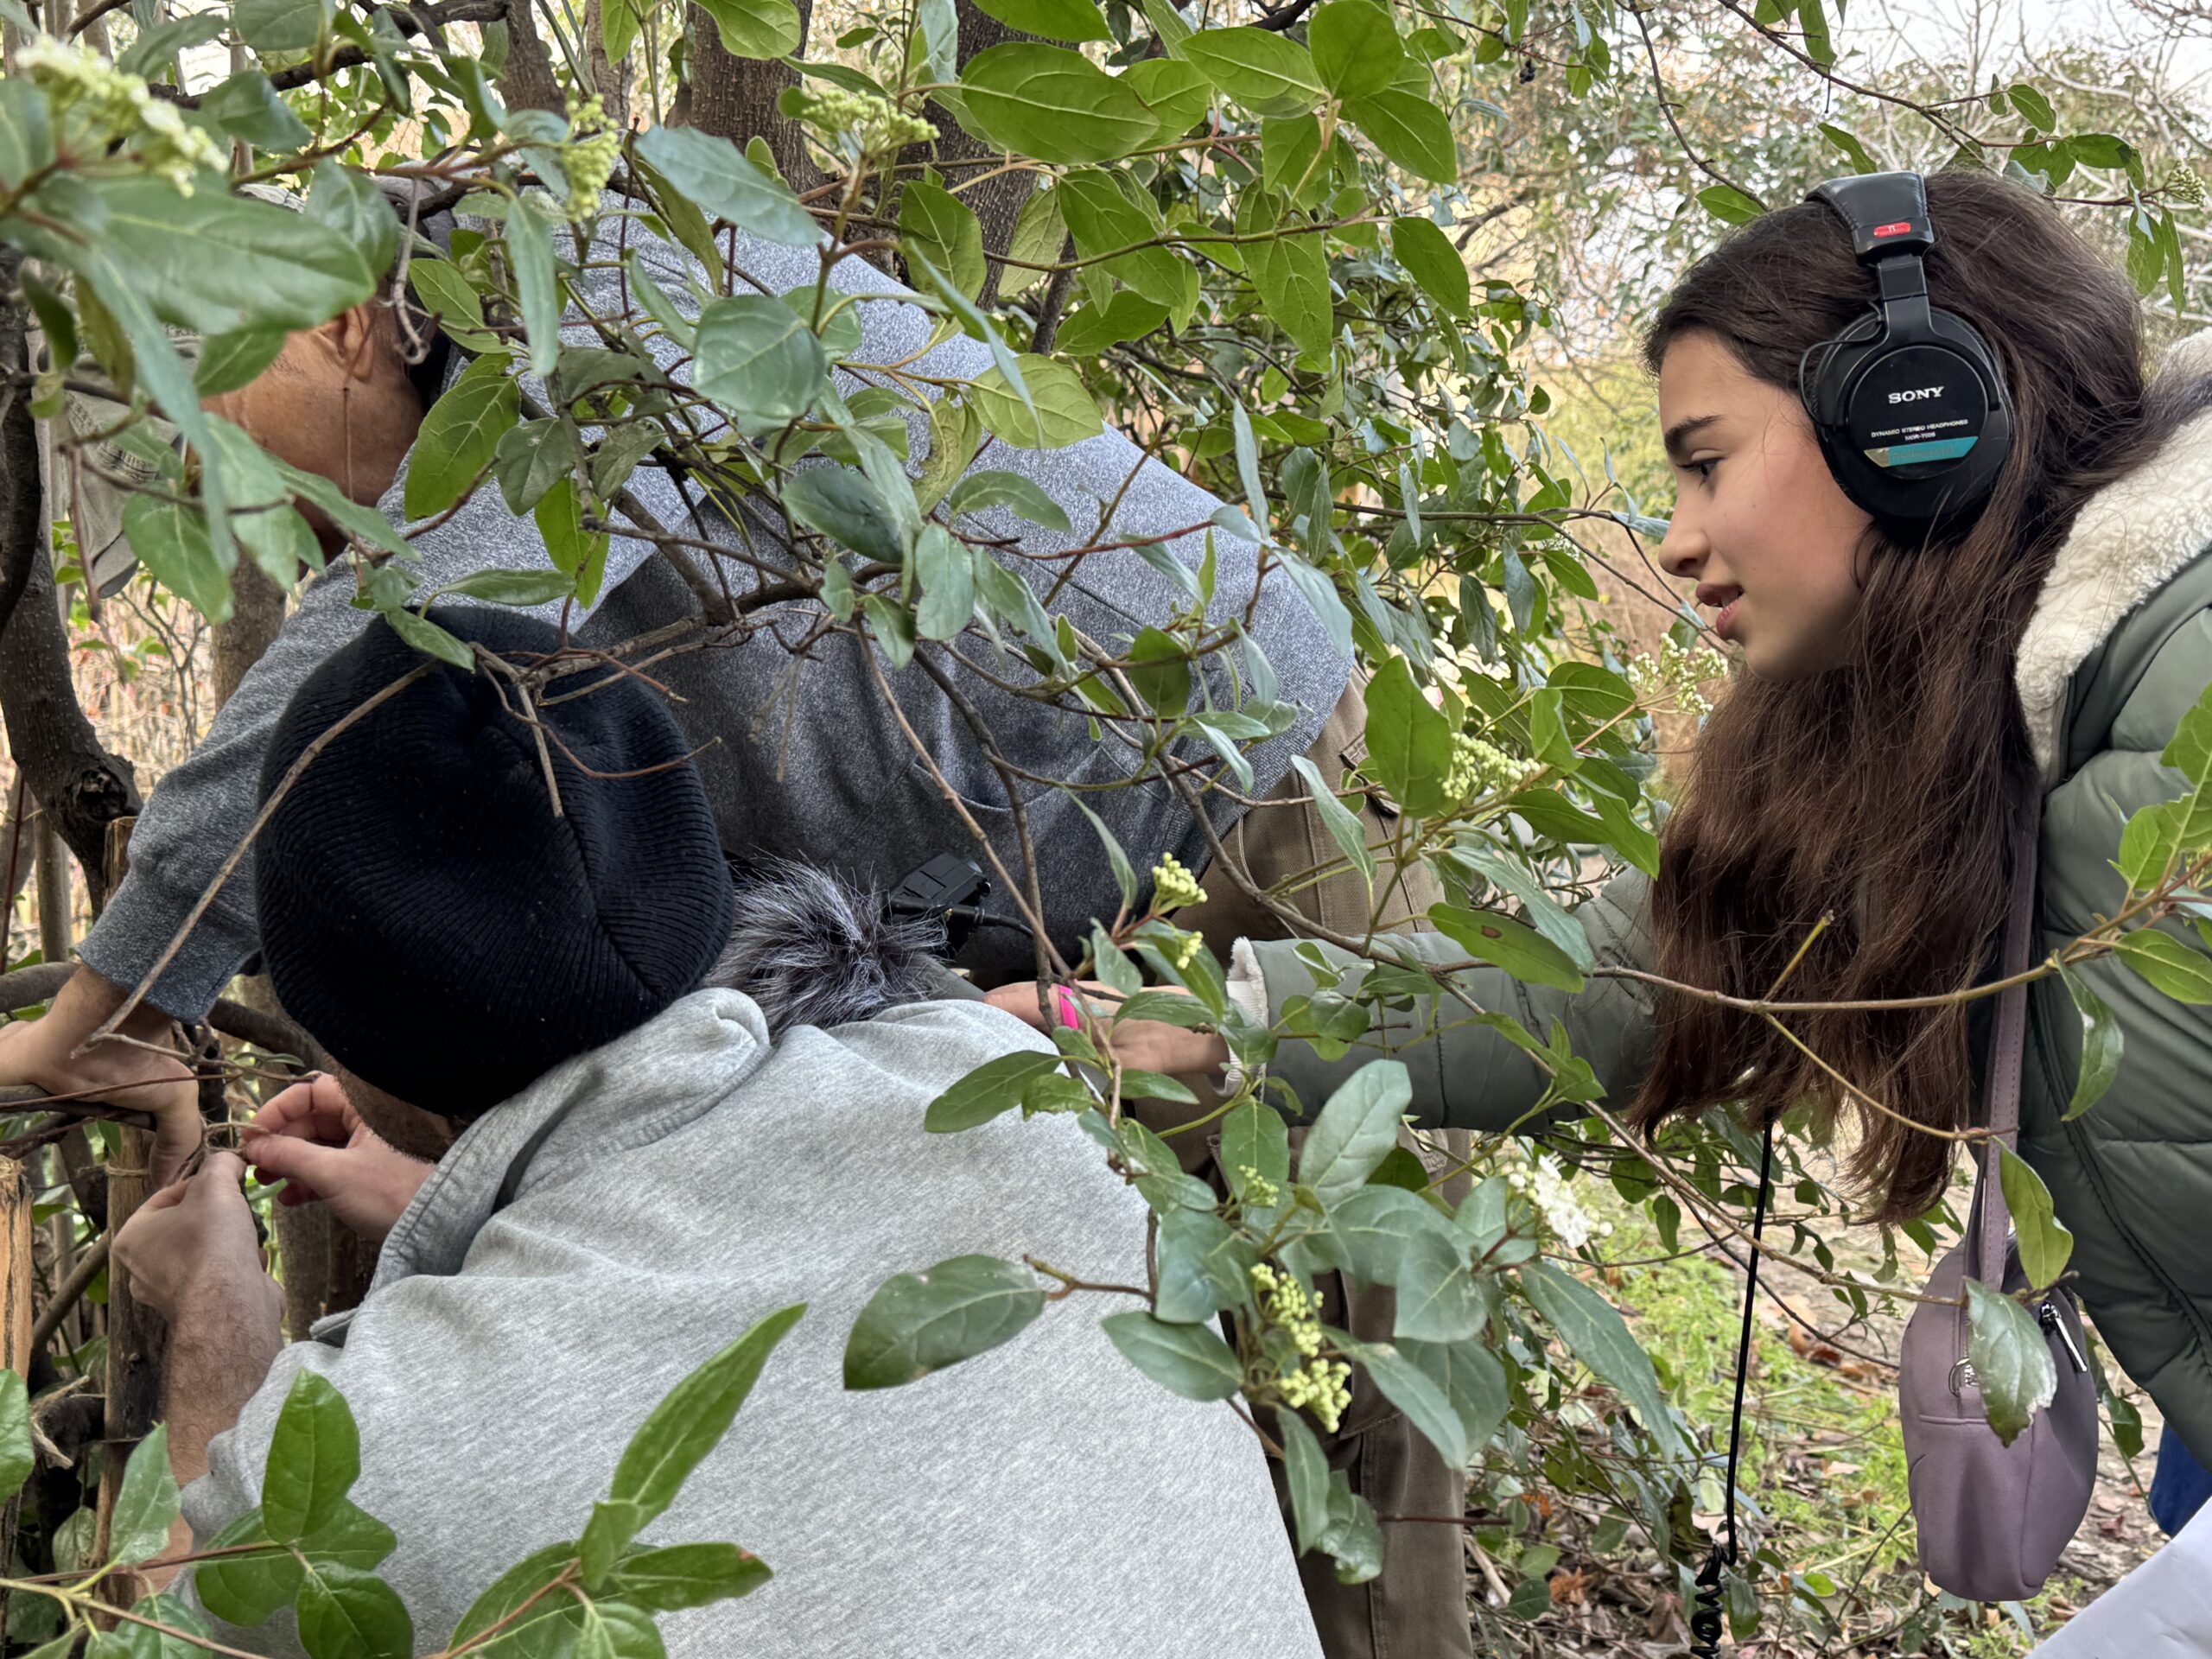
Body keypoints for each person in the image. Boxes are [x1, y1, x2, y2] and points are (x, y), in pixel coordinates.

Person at [2, 192, 1466, 1656]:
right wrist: (488, 1197)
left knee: (1365, 1467)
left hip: (1259, 802)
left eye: (225, 404)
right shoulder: (928, 1066)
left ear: (337, 317)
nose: (256, 489)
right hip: (1023, 895)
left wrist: (102, 1022)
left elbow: (349, 693)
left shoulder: (578, 293)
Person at [996, 168, 2212, 1537]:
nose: (1680, 538)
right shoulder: (1991, 712)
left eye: (1705, 459)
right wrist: (1224, 1020)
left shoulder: (2182, 697)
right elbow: (1659, 973)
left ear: (1913, 420)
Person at [110, 605, 1325, 1657]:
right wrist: (464, 1199)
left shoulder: (384, 1446)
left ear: (342, 1034)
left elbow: (176, 1622)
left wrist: (221, 1323)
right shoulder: (1002, 1079)